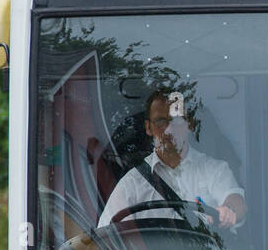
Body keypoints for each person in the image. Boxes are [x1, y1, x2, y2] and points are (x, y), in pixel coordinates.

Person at [97, 90, 247, 230]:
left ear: (190, 124)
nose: (168, 130)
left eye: (176, 120)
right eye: (161, 122)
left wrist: (229, 210)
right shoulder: (132, 183)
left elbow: (235, 199)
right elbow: (106, 234)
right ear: (148, 128)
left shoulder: (214, 170)